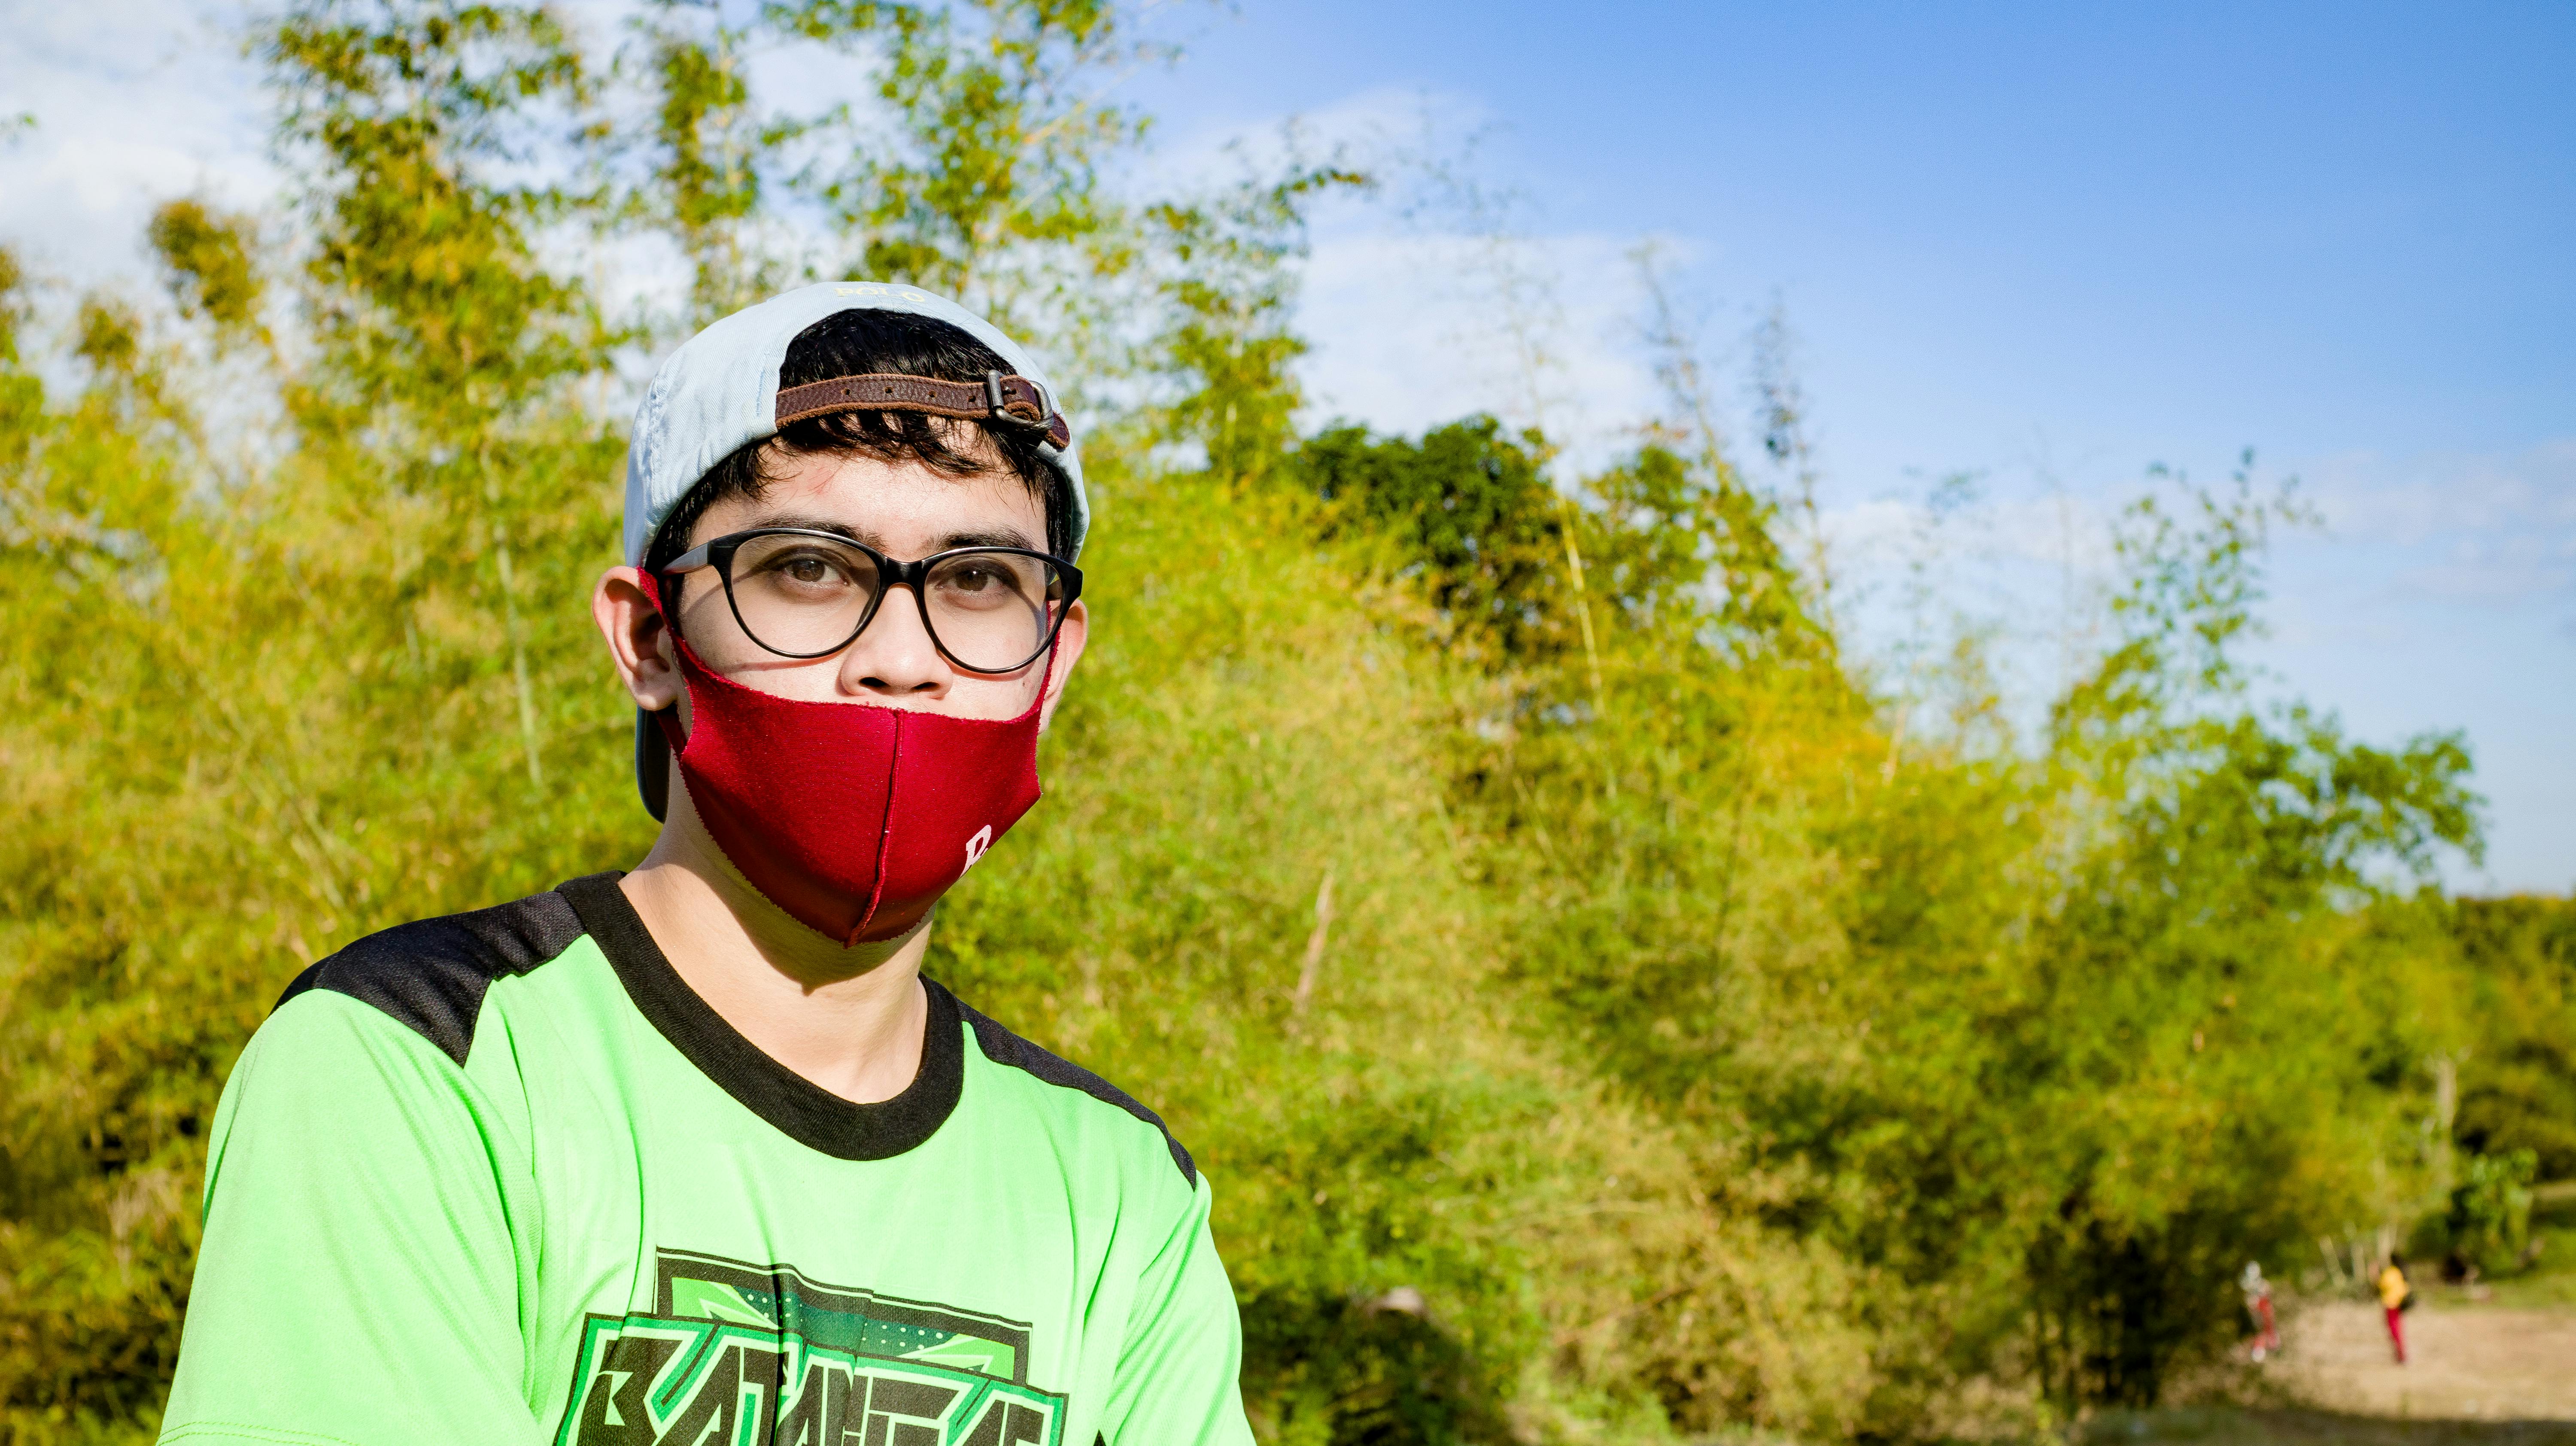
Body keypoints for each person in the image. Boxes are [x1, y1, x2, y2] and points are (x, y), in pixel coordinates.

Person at [158, 284, 1252, 1446]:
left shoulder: (1121, 1193)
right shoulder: (426, 1069)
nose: (900, 659)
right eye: (811, 570)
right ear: (649, 638)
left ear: (1054, 661)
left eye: (976, 581)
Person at [2377, 1252, 2413, 1365]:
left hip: (2391, 1304)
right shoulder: (2401, 1272)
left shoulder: (2392, 1272)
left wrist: (2375, 1274)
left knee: (2394, 1331)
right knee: (2399, 1330)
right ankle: (2401, 1354)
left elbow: (2381, 1285)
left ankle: (2401, 1355)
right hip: (2399, 1304)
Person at [2239, 1261, 2279, 1361]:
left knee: (2263, 1330)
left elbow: (2267, 1297)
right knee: (2260, 1330)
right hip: (2257, 1313)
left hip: (2262, 1312)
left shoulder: (2263, 1285)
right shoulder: (2246, 1285)